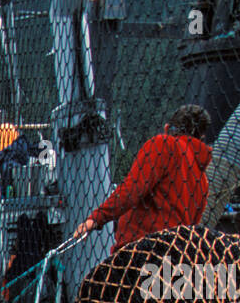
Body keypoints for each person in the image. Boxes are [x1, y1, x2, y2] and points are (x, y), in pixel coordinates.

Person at [73, 104, 212, 252]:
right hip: (174, 256)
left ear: (168, 127)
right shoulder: (202, 180)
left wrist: (96, 218)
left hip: (143, 249)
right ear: (201, 136)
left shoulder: (165, 145)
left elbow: (132, 190)